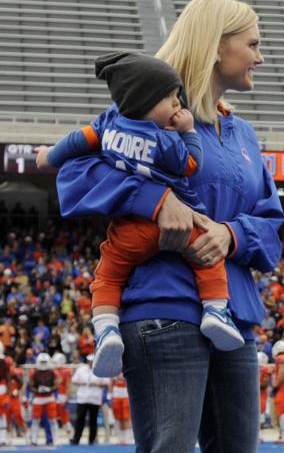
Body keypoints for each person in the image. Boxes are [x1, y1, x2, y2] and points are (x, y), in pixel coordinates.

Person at [54, 0, 282, 453]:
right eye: (252, 42)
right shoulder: (135, 121)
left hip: (234, 319)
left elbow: (271, 229)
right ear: (217, 46)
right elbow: (71, 177)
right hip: (160, 315)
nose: (260, 55)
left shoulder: (244, 135)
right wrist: (157, 205)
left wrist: (231, 235)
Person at [37, 52, 244, 378]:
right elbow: (190, 165)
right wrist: (188, 132)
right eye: (170, 98)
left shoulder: (108, 123)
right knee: (207, 259)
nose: (178, 104)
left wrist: (49, 155)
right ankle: (216, 311)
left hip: (129, 228)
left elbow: (78, 142)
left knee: (107, 276)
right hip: (183, 221)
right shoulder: (164, 139)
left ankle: (105, 329)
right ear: (146, 100)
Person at [71, 353, 108, 445]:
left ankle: (92, 439)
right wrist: (82, 383)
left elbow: (106, 383)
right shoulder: (81, 369)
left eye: (92, 361)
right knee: (80, 419)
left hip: (95, 398)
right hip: (82, 398)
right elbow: (74, 381)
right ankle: (76, 439)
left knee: (93, 420)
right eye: (89, 361)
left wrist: (97, 384)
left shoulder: (101, 370)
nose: (91, 363)